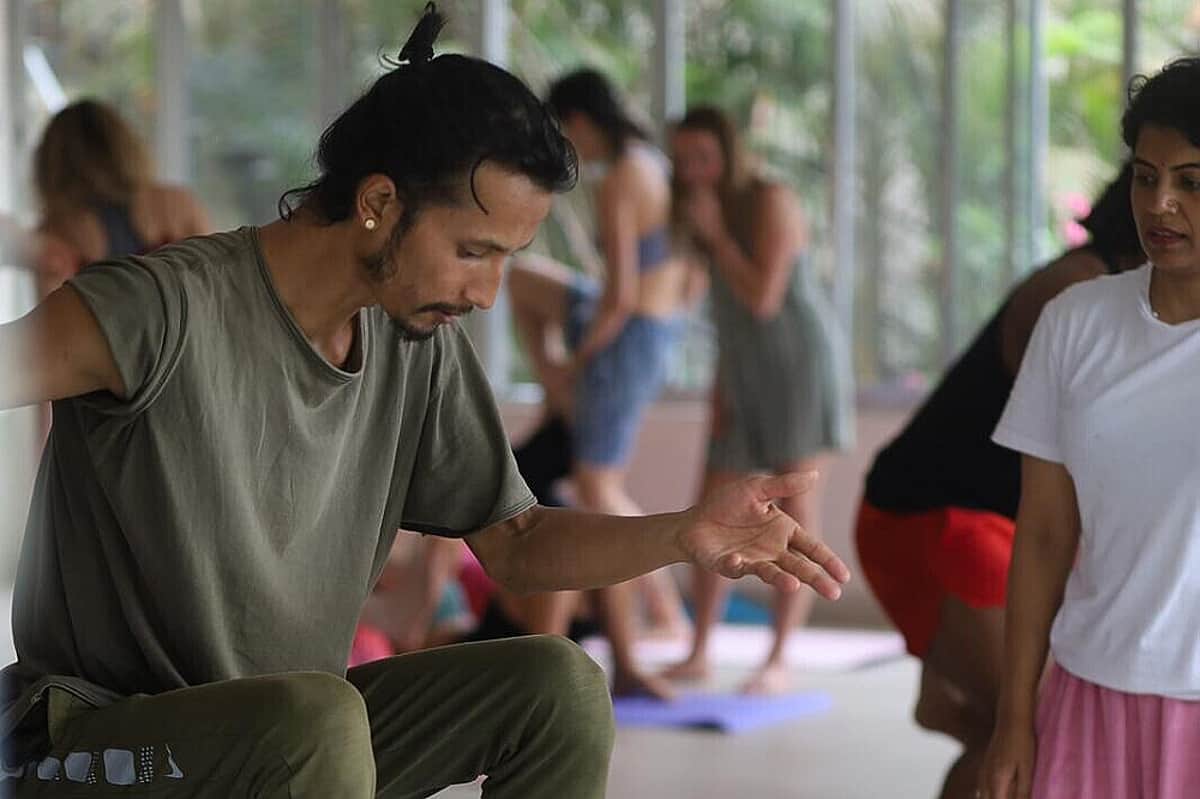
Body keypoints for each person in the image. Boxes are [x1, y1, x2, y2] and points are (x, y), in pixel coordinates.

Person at [0, 7, 850, 798]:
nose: (487, 292)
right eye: (473, 251)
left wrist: (680, 533)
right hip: (92, 750)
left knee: (558, 685)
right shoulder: (162, 308)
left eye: (509, 258)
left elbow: (516, 544)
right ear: (377, 204)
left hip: (291, 736)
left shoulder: (416, 346)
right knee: (316, 719)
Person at [854, 165, 1144, 799]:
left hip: (980, 520)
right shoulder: (1078, 290)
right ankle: (954, 696)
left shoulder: (1127, 292)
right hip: (939, 519)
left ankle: (952, 698)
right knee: (1025, 739)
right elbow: (1082, 463)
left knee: (1011, 734)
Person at [981, 57, 1200, 799]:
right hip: (1089, 692)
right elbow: (1043, 534)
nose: (1161, 203)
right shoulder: (1076, 323)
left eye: (1191, 182)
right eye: (1146, 176)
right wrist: (1014, 717)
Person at [506, 68, 693, 698]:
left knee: (595, 488)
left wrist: (579, 365)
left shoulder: (621, 182)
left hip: (625, 334)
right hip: (649, 330)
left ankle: (647, 623)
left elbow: (617, 298)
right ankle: (647, 625)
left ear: (580, 123)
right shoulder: (653, 163)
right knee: (522, 279)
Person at [662, 106, 855, 694]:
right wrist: (720, 391)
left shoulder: (769, 200)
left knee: (794, 508)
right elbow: (726, 318)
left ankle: (779, 657)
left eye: (704, 158)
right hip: (743, 372)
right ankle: (698, 648)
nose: (693, 172)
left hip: (796, 364)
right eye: (683, 161)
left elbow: (763, 299)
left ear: (728, 155)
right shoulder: (698, 220)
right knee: (712, 504)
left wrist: (719, 235)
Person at [30, 98, 211, 300]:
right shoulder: (177, 204)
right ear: (126, 145)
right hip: (180, 328)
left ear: (52, 164)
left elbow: (53, 326)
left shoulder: (56, 234)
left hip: (99, 330)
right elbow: (214, 290)